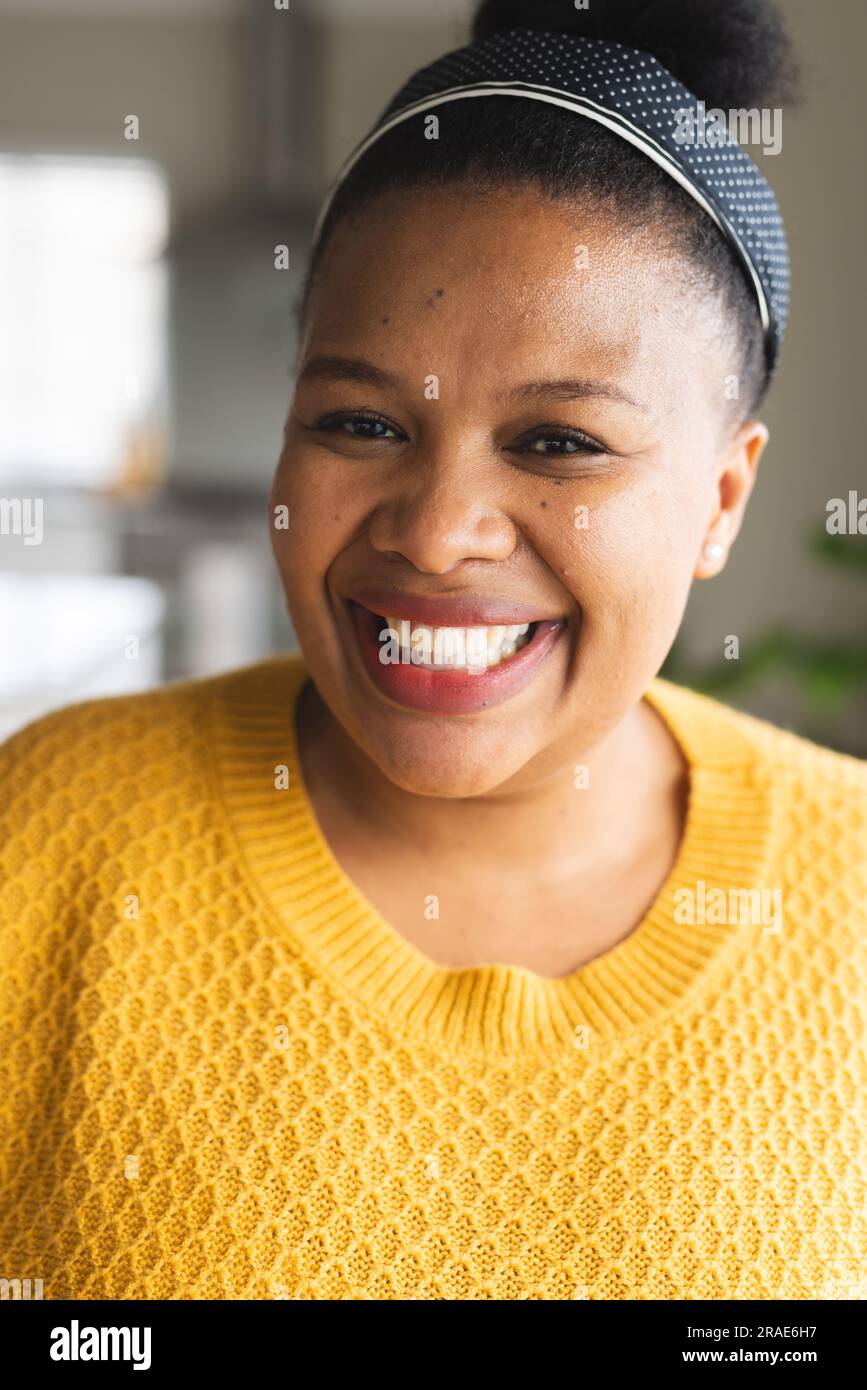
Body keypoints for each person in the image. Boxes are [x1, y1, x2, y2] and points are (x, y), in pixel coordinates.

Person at [1, 0, 865, 1302]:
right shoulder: (53, 834)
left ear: (721, 500)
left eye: (559, 441)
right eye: (359, 418)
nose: (440, 532)